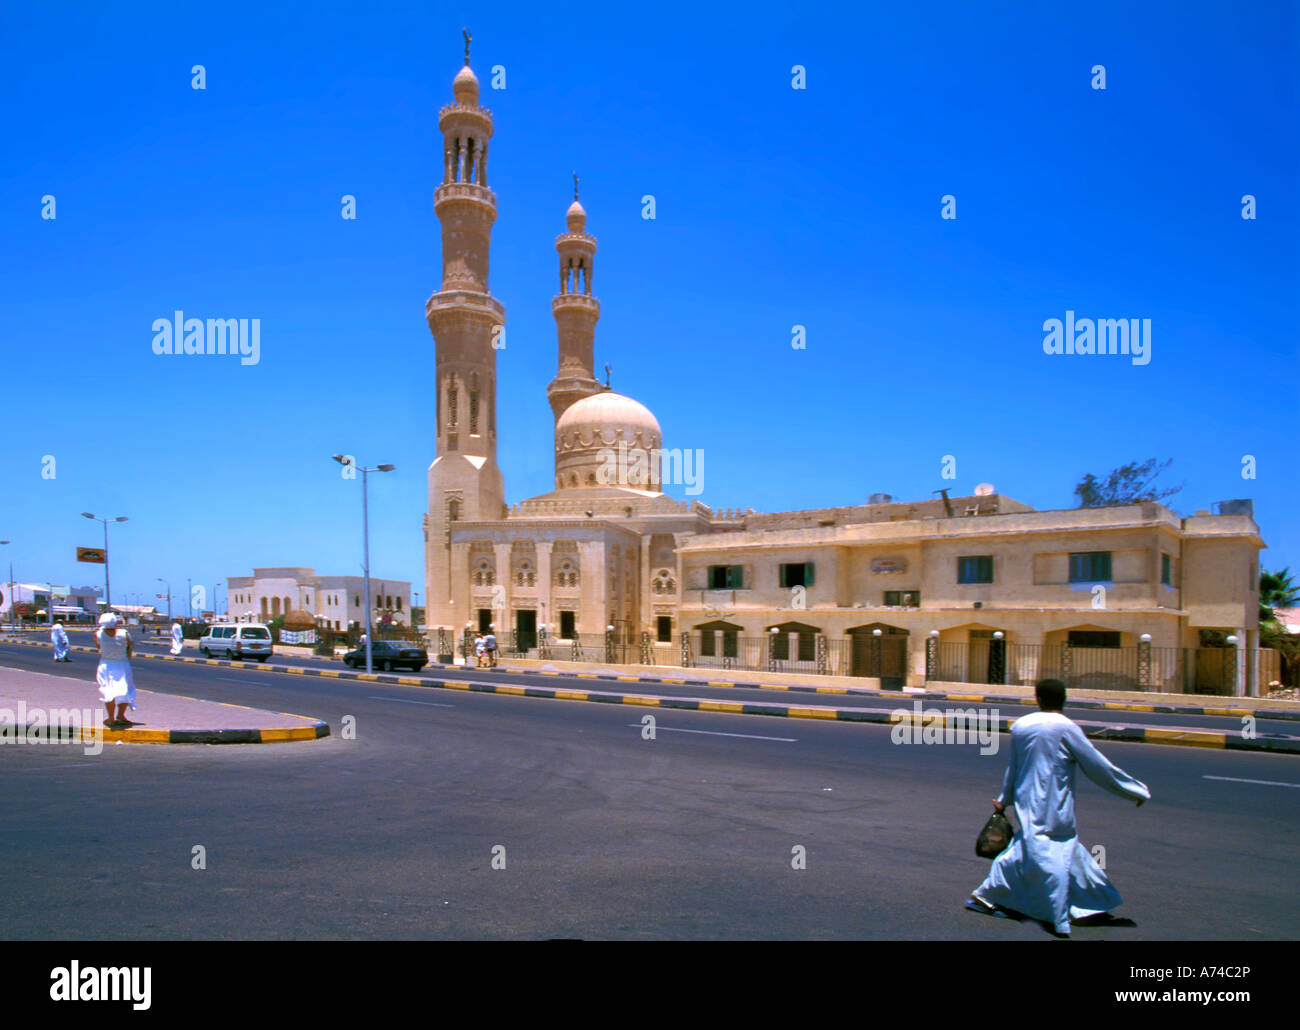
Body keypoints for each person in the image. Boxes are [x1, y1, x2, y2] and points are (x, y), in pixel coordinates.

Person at [967, 678, 1150, 937]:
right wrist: (1133, 791)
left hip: (1027, 800)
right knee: (1048, 852)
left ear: (1038, 699)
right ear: (1064, 699)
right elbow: (1097, 766)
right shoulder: (1067, 728)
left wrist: (1004, 798)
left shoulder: (1021, 725)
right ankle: (996, 896)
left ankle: (1090, 904)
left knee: (1056, 850)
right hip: (1054, 802)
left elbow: (1014, 767)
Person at [95, 612, 138, 728]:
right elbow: (130, 646)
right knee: (125, 689)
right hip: (122, 664)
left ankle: (110, 717)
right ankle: (120, 715)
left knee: (108, 690)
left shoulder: (98, 634)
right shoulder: (124, 634)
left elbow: (99, 647)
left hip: (106, 664)